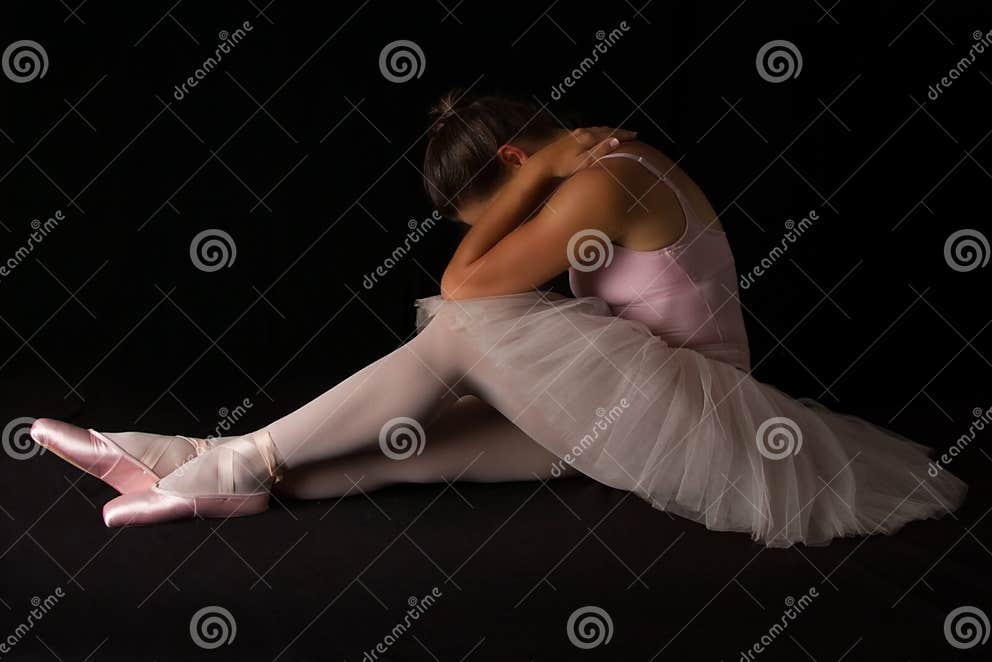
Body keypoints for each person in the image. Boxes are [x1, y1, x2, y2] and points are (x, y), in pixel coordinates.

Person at [29, 91, 966, 547]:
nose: (495, 226)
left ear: (519, 159)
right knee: (379, 452)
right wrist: (531, 177)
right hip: (622, 420)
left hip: (693, 420)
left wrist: (533, 180)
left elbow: (468, 292)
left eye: (493, 203)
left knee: (466, 327)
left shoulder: (601, 180)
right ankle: (198, 460)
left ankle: (226, 455)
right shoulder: (593, 168)